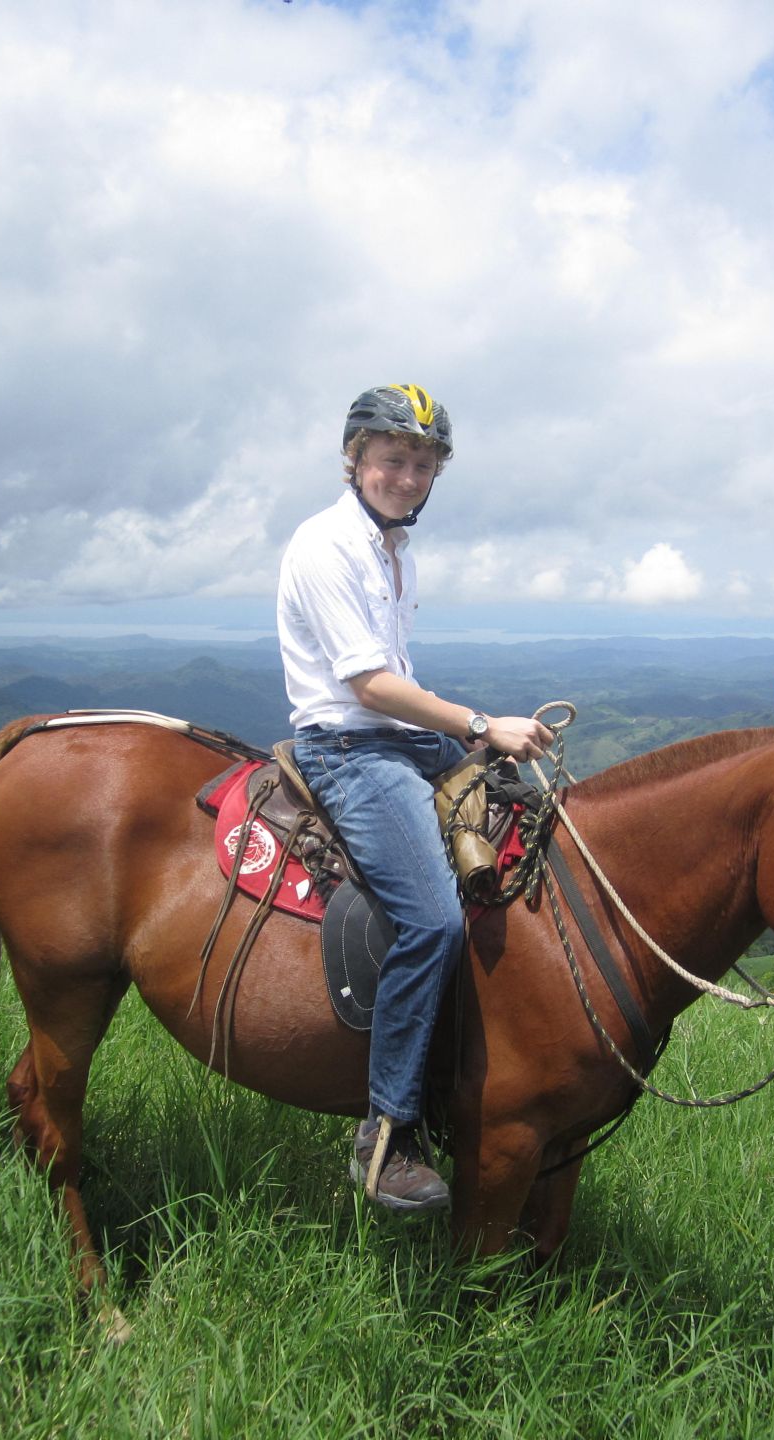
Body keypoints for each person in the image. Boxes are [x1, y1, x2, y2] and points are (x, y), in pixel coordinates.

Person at [277, 382, 553, 1215]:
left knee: (518, 816)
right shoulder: (326, 545)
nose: (407, 474)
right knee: (432, 918)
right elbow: (366, 683)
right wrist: (478, 722)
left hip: (396, 737)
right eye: (393, 458)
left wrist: (468, 742)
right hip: (348, 749)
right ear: (356, 459)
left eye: (422, 463)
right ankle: (389, 1129)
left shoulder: (393, 549)